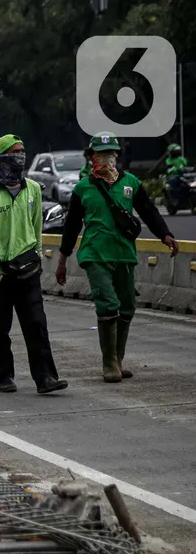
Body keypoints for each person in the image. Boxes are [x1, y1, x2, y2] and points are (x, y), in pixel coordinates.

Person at [58, 132, 178, 382]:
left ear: (117, 157)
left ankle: (118, 358)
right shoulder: (83, 188)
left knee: (127, 307)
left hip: (123, 253)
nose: (105, 159)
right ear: (91, 158)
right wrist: (62, 259)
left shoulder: (131, 183)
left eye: (110, 154)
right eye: (99, 155)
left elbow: (148, 211)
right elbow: (71, 226)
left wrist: (165, 235)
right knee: (108, 305)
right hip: (95, 253)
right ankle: (109, 364)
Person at [0, 134, 67, 395]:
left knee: (36, 324)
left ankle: (46, 377)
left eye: (23, 151)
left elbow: (36, 227)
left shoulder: (33, 190)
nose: (20, 156)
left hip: (28, 268)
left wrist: (37, 255)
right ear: (1, 157)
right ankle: (4, 375)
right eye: (15, 151)